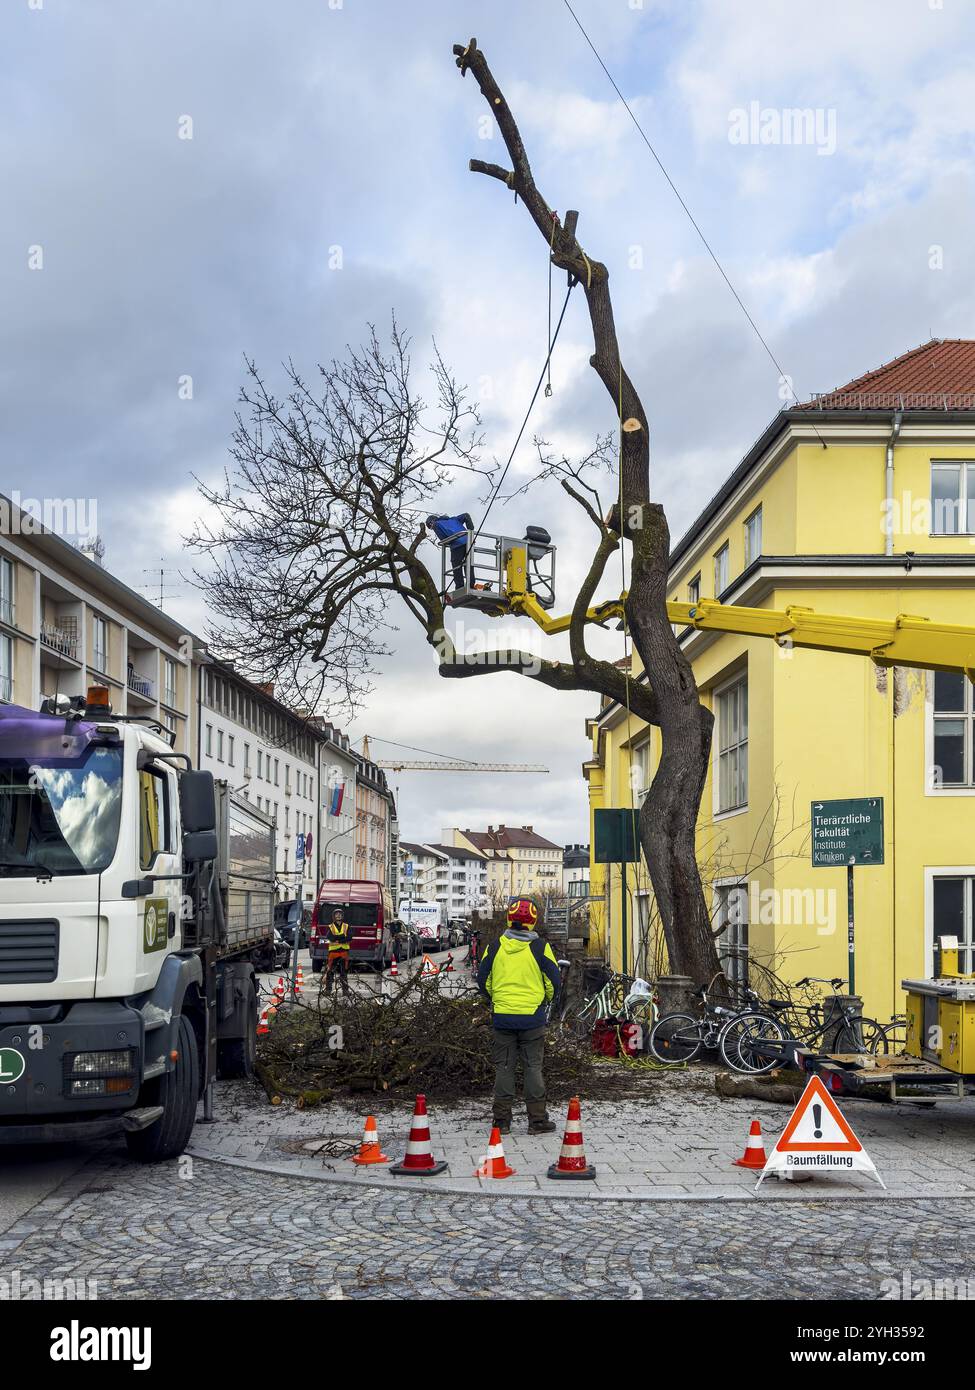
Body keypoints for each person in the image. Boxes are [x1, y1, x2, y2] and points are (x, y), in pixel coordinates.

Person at [476, 897, 560, 1135]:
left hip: (502, 1016)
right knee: (533, 1067)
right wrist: (544, 1001)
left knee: (504, 1068)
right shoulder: (540, 947)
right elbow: (553, 981)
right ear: (533, 921)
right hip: (532, 1017)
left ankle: (501, 1121)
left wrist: (497, 999)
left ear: (509, 919)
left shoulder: (495, 946)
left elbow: (483, 980)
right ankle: (537, 1121)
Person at [425, 512, 474, 591]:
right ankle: (471, 584)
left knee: (456, 565)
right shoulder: (453, 519)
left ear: (431, 522)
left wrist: (448, 541)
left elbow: (444, 539)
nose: (432, 528)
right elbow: (466, 515)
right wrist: (470, 530)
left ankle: (459, 586)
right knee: (468, 563)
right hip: (468, 542)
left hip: (457, 544)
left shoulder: (436, 524)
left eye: (430, 527)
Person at [324, 906, 351, 998]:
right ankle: (328, 990)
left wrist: (338, 939)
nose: (338, 916)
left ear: (342, 916)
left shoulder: (347, 926)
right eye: (336, 914)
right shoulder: (330, 927)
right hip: (333, 953)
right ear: (334, 916)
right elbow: (330, 937)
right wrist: (342, 937)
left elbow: (350, 937)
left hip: (344, 952)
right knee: (330, 971)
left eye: (340, 914)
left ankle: (345, 991)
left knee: (344, 972)